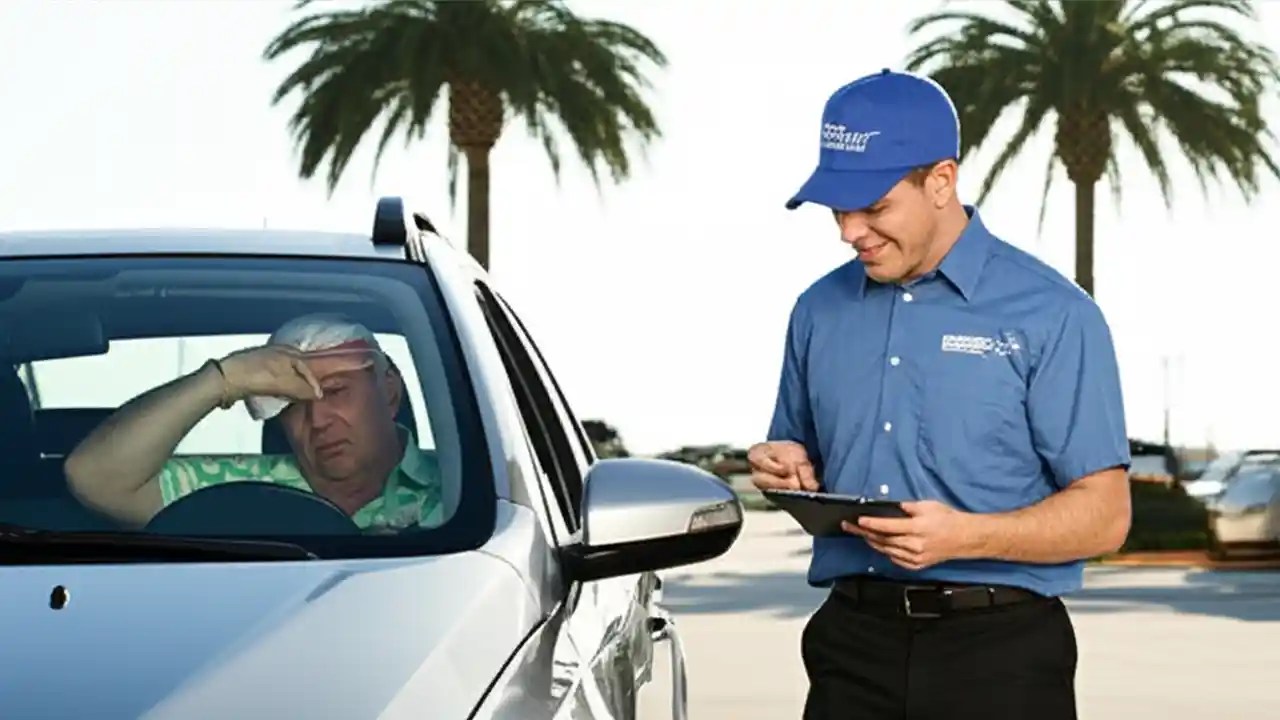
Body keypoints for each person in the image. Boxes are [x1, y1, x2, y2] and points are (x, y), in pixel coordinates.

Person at [749, 68, 1132, 720]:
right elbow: (805, 462)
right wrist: (784, 471)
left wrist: (966, 536)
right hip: (850, 649)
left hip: (1002, 659)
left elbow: (1106, 516)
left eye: (873, 207)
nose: (850, 232)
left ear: (941, 182)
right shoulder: (818, 311)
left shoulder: (1054, 314)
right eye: (839, 210)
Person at [65, 314, 444, 532]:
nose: (318, 419)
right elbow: (94, 478)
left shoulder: (465, 491)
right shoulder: (237, 491)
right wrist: (224, 379)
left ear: (390, 393)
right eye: (292, 405)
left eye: (335, 392)